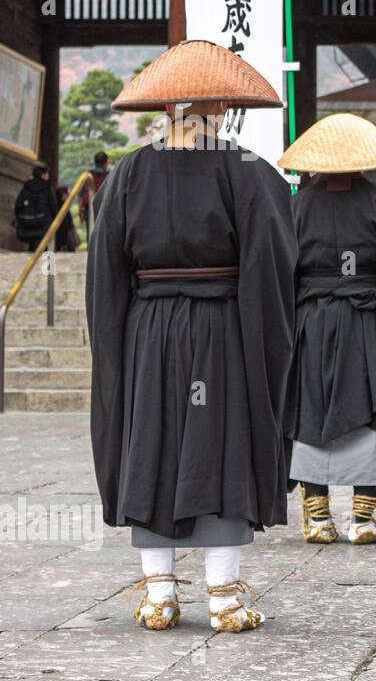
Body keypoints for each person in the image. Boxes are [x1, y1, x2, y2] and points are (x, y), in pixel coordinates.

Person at [88, 40, 294, 633]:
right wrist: (268, 340)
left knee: (151, 444)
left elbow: (106, 273)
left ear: (169, 108)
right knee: (220, 444)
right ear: (220, 108)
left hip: (148, 331)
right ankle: (224, 598)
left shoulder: (128, 171)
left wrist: (116, 345)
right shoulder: (248, 169)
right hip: (223, 329)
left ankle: (158, 597)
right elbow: (274, 263)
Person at [278, 113, 376, 545]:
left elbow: (281, 273)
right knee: (371, 408)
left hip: (310, 323)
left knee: (310, 408)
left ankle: (318, 515)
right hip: (368, 322)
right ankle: (362, 518)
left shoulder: (295, 208)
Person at [13, 163, 57, 251]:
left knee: (32, 248)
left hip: (26, 224)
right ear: (43, 175)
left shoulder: (27, 186)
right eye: (47, 174)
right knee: (42, 249)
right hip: (42, 225)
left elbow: (18, 205)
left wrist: (21, 217)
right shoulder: (47, 187)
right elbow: (54, 207)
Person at [79, 151, 111, 232]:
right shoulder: (109, 176)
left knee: (91, 234)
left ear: (95, 162)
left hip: (88, 209)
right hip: (105, 210)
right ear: (106, 163)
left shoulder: (87, 176)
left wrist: (81, 213)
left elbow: (80, 195)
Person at [53, 184, 78, 251]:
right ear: (62, 195)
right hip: (64, 237)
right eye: (67, 194)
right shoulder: (61, 208)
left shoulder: (61, 206)